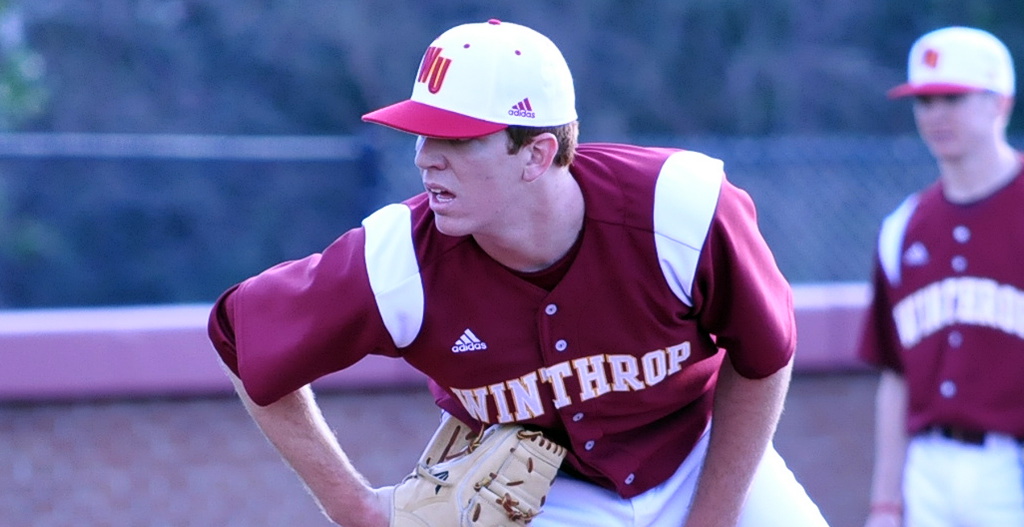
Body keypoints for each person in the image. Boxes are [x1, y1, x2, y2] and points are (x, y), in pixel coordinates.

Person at [208, 19, 827, 527]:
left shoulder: (680, 209)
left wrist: (709, 521)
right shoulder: (397, 258)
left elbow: (764, 357)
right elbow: (242, 337)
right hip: (542, 493)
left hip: (700, 455)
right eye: (422, 135)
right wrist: (356, 509)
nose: (425, 158)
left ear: (538, 153)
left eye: (457, 139)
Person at [859, 26, 1024, 527]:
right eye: (924, 101)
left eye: (952, 98)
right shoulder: (904, 226)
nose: (935, 115)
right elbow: (894, 374)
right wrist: (884, 502)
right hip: (926, 468)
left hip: (1011, 467)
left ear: (1000, 103)